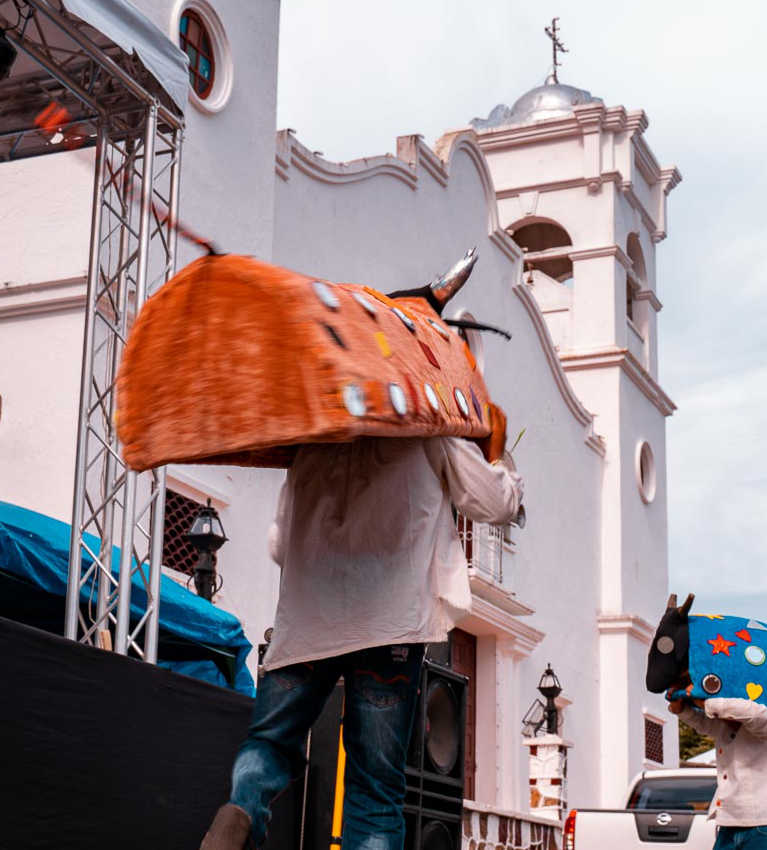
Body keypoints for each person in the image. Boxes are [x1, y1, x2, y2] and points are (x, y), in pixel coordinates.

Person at [200, 412, 523, 850]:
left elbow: (279, 545)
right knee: (374, 792)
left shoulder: (315, 426)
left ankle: (241, 807)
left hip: (308, 624)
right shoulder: (428, 423)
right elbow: (494, 503)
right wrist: (498, 450)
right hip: (389, 627)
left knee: (270, 742)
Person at [669, 695, 767, 849]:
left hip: (761, 823)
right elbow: (706, 724)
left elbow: (753, 714)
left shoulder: (759, 714)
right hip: (729, 822)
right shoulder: (729, 723)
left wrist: (700, 697)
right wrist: (682, 710)